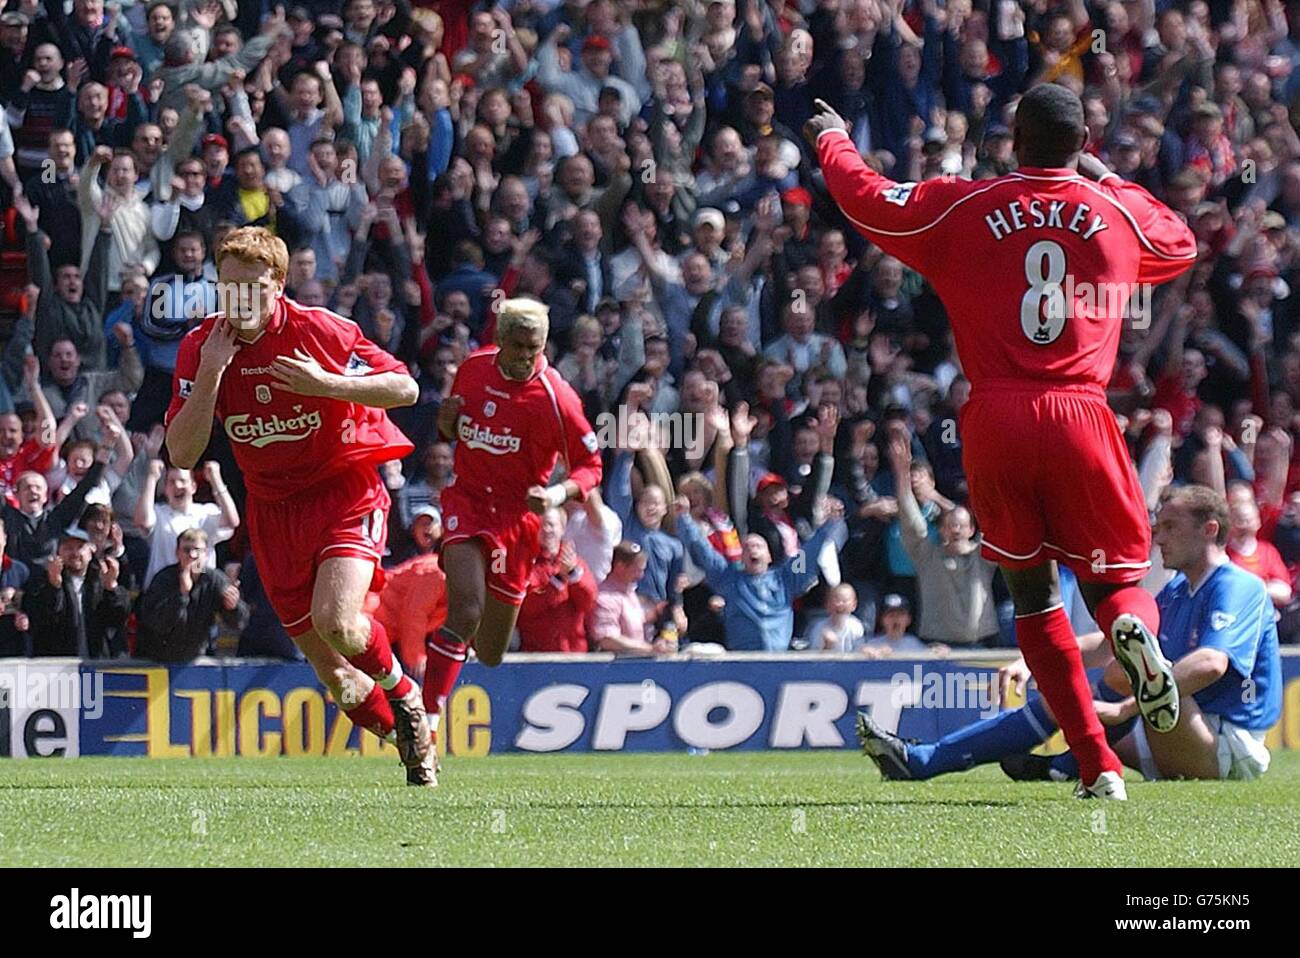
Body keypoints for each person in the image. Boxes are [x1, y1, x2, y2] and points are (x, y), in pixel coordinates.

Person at [806, 85, 1198, 800]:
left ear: (1013, 139)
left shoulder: (965, 205)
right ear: (1082, 142)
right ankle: (1134, 639)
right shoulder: (1112, 213)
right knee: (1114, 583)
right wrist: (1104, 176)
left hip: (995, 415)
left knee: (1033, 594)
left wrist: (833, 138)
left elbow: (867, 197)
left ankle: (1096, 766)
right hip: (1083, 409)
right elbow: (1178, 238)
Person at [164, 226, 434, 786]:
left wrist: (330, 384)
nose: (237, 300)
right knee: (333, 675)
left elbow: (404, 388)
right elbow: (183, 451)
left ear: (279, 285)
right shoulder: (200, 347)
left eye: (251, 287)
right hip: (273, 511)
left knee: (338, 623)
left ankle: (404, 691)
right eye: (226, 286)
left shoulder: (319, 330)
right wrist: (213, 370)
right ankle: (409, 742)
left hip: (342, 492)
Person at [857, 486, 1282, 785]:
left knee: (1119, 677)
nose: (1158, 537)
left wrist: (1122, 712)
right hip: (1181, 731)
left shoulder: (1236, 585)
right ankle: (1037, 767)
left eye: (1170, 527)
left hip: (1227, 748)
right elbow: (1109, 643)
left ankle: (1048, 764)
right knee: (1078, 691)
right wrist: (1034, 660)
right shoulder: (1178, 588)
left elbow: (1212, 663)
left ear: (1209, 530)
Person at [426, 297, 602, 764]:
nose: (527, 357)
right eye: (518, 346)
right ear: (499, 340)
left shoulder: (557, 398)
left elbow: (591, 465)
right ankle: (424, 724)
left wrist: (557, 495)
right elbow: (450, 429)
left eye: (536, 347)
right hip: (467, 500)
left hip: (517, 518)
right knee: (465, 610)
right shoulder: (473, 368)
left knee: (489, 652)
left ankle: (451, 662)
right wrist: (446, 420)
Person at [673, 493, 847, 651]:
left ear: (770, 556)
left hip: (778, 661)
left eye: (758, 546)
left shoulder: (786, 578)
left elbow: (807, 554)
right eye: (747, 547)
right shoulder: (728, 577)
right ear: (741, 557)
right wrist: (684, 518)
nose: (753, 550)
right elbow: (702, 550)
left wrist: (830, 522)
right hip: (742, 661)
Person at [135, 528, 249, 662]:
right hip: (158, 657)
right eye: (187, 550)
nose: (192, 555)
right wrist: (182, 594)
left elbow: (239, 621)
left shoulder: (214, 579)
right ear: (177, 553)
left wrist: (232, 607)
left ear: (206, 554)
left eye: (198, 550)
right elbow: (159, 624)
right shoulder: (163, 578)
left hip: (196, 656)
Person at [23, 527, 129, 658]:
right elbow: (43, 620)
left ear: (91, 551)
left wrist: (111, 587)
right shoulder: (42, 580)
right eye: (68, 548)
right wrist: (54, 586)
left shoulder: (101, 578)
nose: (74, 553)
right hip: (59, 669)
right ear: (58, 552)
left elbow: (117, 619)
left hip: (100, 664)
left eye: (80, 547)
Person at [134, 461, 238, 587]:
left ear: (193, 487)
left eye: (183, 481)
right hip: (163, 589)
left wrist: (216, 481)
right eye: (171, 482)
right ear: (166, 489)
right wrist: (151, 478)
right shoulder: (158, 512)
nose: (177, 485)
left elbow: (231, 521)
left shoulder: (207, 512)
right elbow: (142, 521)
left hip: (200, 590)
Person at [517, 507, 598, 653]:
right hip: (536, 657)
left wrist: (572, 574)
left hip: (575, 655)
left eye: (551, 524)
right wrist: (558, 580)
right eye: (540, 525)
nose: (546, 530)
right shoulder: (524, 565)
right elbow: (525, 609)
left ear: (562, 529)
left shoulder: (576, 562)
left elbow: (588, 602)